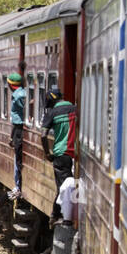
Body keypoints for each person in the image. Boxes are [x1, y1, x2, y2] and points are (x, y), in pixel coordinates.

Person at [41, 88, 76, 222]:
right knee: (75, 185)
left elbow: (43, 135)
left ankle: (60, 216)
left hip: (61, 154)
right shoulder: (75, 109)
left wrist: (47, 153)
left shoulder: (52, 113)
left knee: (63, 187)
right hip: (77, 155)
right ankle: (68, 215)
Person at [7, 72, 25, 200]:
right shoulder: (21, 93)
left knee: (18, 158)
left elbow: (19, 116)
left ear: (10, 84)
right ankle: (17, 185)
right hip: (17, 130)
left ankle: (18, 186)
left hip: (19, 130)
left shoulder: (18, 96)